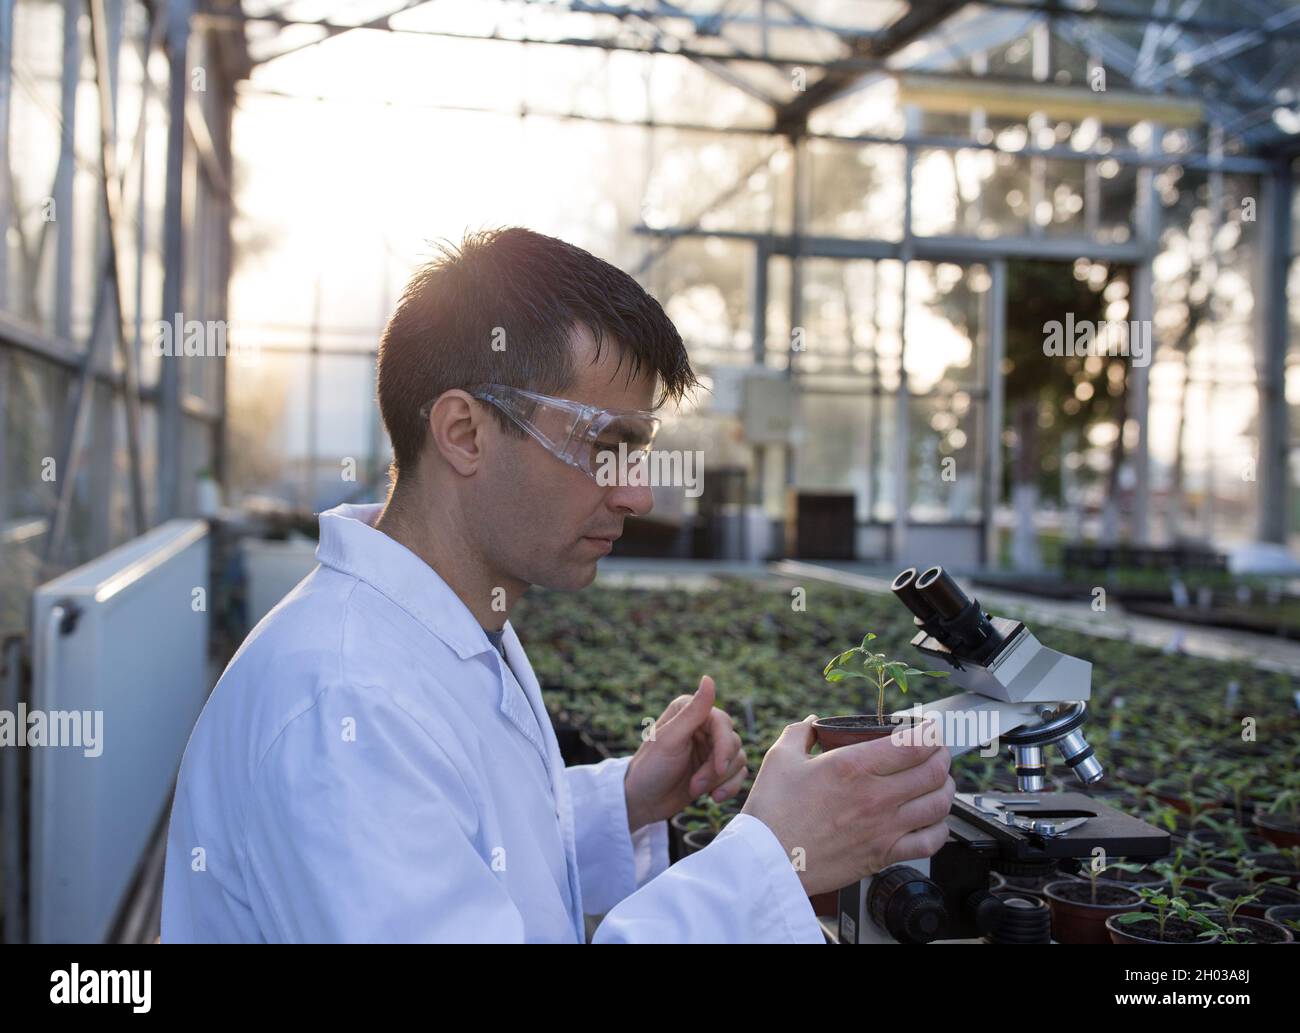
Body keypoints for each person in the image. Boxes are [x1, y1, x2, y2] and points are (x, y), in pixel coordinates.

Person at [161, 228, 954, 943]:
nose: (638, 493)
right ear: (465, 432)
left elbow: (470, 847)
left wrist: (628, 799)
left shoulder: (444, 629)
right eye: (606, 443)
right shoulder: (345, 703)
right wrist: (770, 858)